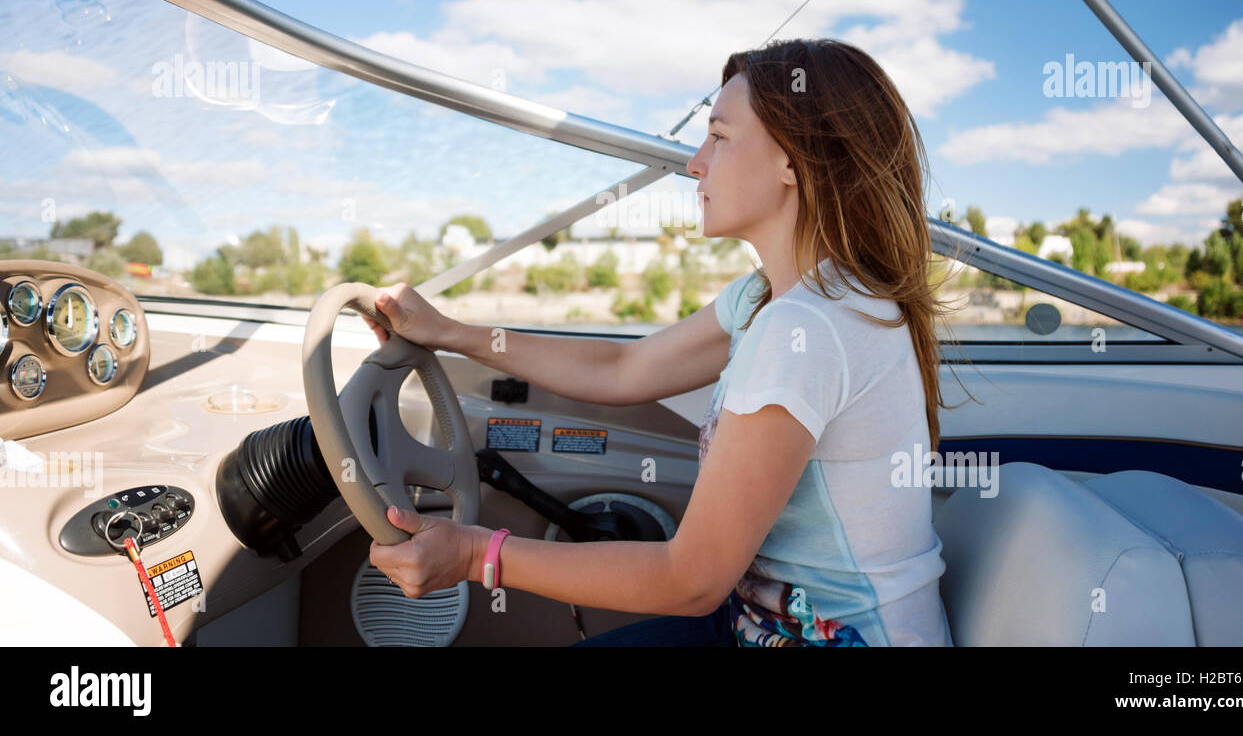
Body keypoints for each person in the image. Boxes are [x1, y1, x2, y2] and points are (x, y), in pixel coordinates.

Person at [366, 38, 960, 646]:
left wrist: (476, 556)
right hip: (756, 627)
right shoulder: (777, 297)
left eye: (720, 137)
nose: (695, 163)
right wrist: (450, 334)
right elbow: (623, 367)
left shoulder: (809, 326)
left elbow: (692, 580)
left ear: (794, 160)